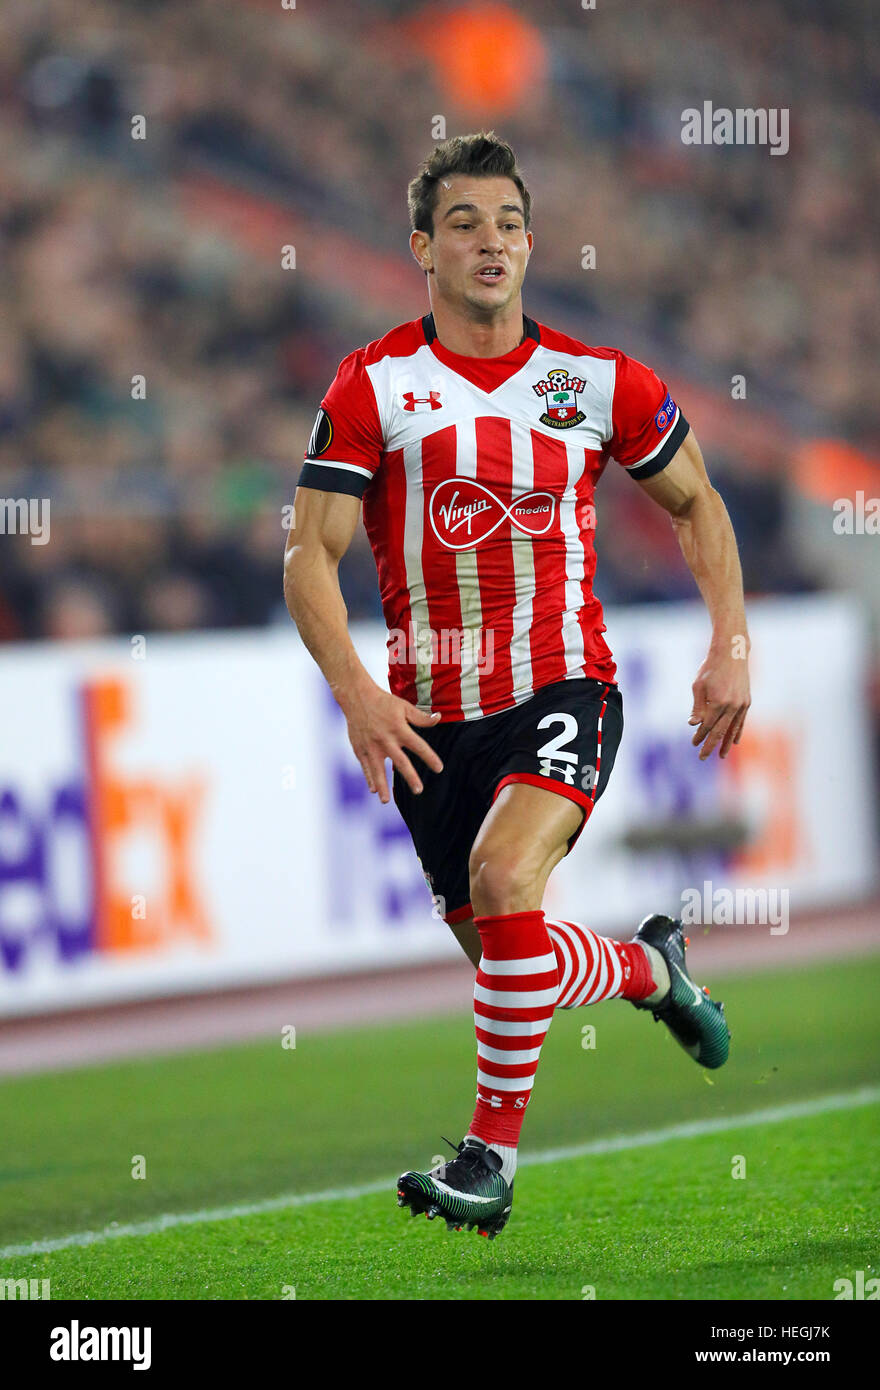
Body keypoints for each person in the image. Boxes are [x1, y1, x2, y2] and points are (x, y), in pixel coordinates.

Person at [283, 133, 750, 1239]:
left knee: (505, 878)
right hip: (432, 721)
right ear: (420, 248)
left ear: (531, 243)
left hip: (563, 687)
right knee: (514, 960)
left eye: (505, 222)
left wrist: (729, 639)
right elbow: (310, 552)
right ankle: (648, 967)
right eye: (462, 223)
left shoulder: (596, 383)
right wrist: (355, 688)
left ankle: (488, 1159)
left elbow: (696, 503)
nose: (488, 241)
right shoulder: (375, 383)